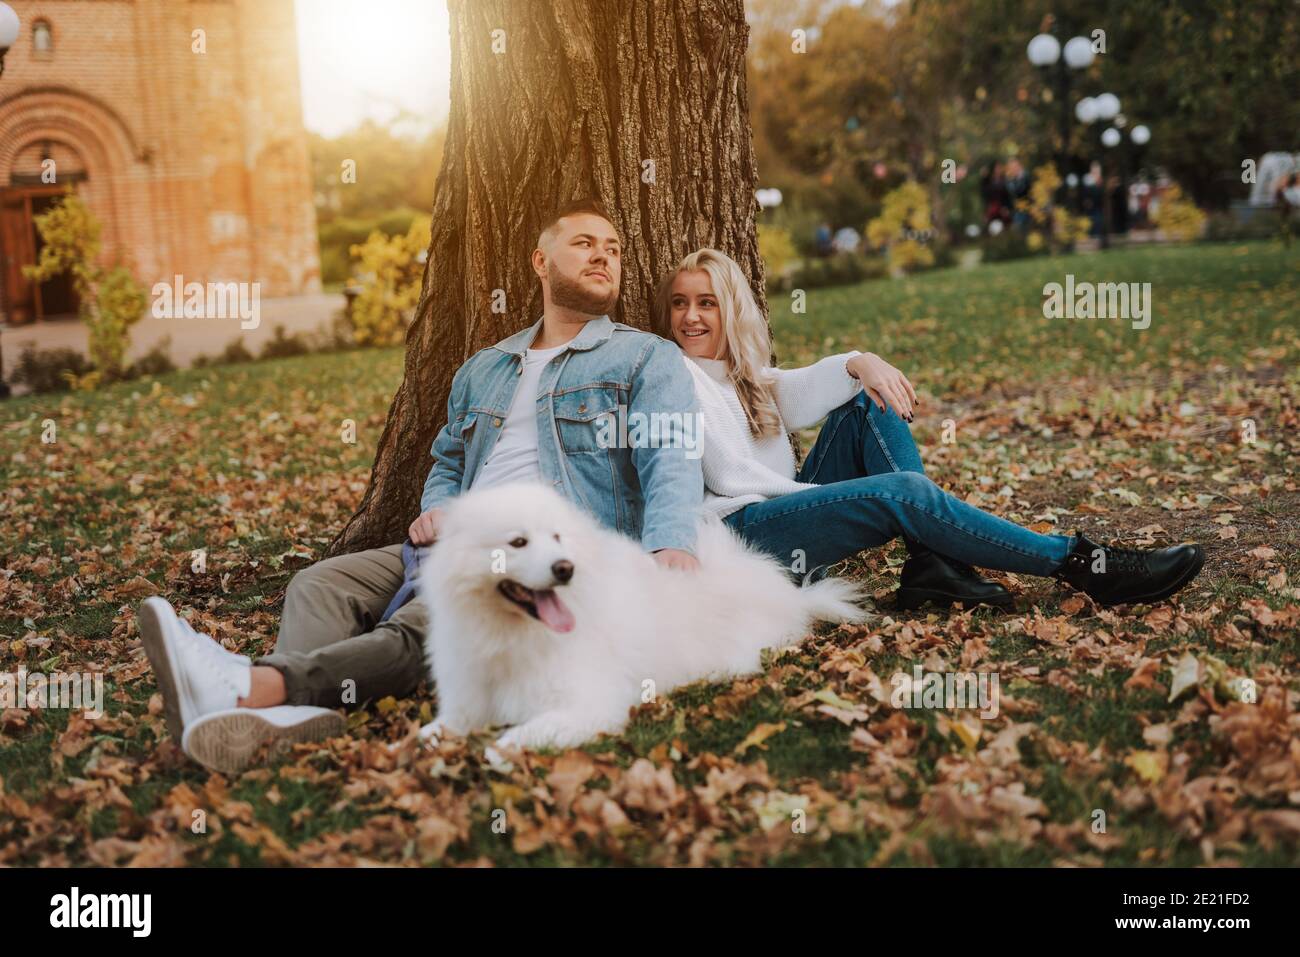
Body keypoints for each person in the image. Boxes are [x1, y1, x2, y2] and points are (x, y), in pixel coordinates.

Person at [136, 198, 704, 774]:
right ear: (541, 260)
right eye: (585, 244)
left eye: (613, 249)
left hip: (545, 554)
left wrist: (671, 542)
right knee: (319, 583)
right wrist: (436, 507)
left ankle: (253, 688)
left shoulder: (644, 357)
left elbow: (672, 453)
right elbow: (448, 460)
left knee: (427, 616)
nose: (603, 257)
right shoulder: (486, 366)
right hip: (459, 536)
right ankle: (287, 717)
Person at [652, 247, 1206, 610]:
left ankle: (931, 565)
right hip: (745, 534)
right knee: (905, 493)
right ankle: (1081, 564)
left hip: (782, 513)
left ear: (733, 311)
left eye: (707, 303)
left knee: (868, 404)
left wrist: (860, 361)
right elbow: (726, 473)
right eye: (679, 304)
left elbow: (792, 388)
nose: (690, 317)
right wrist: (840, 497)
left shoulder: (741, 375)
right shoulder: (671, 369)